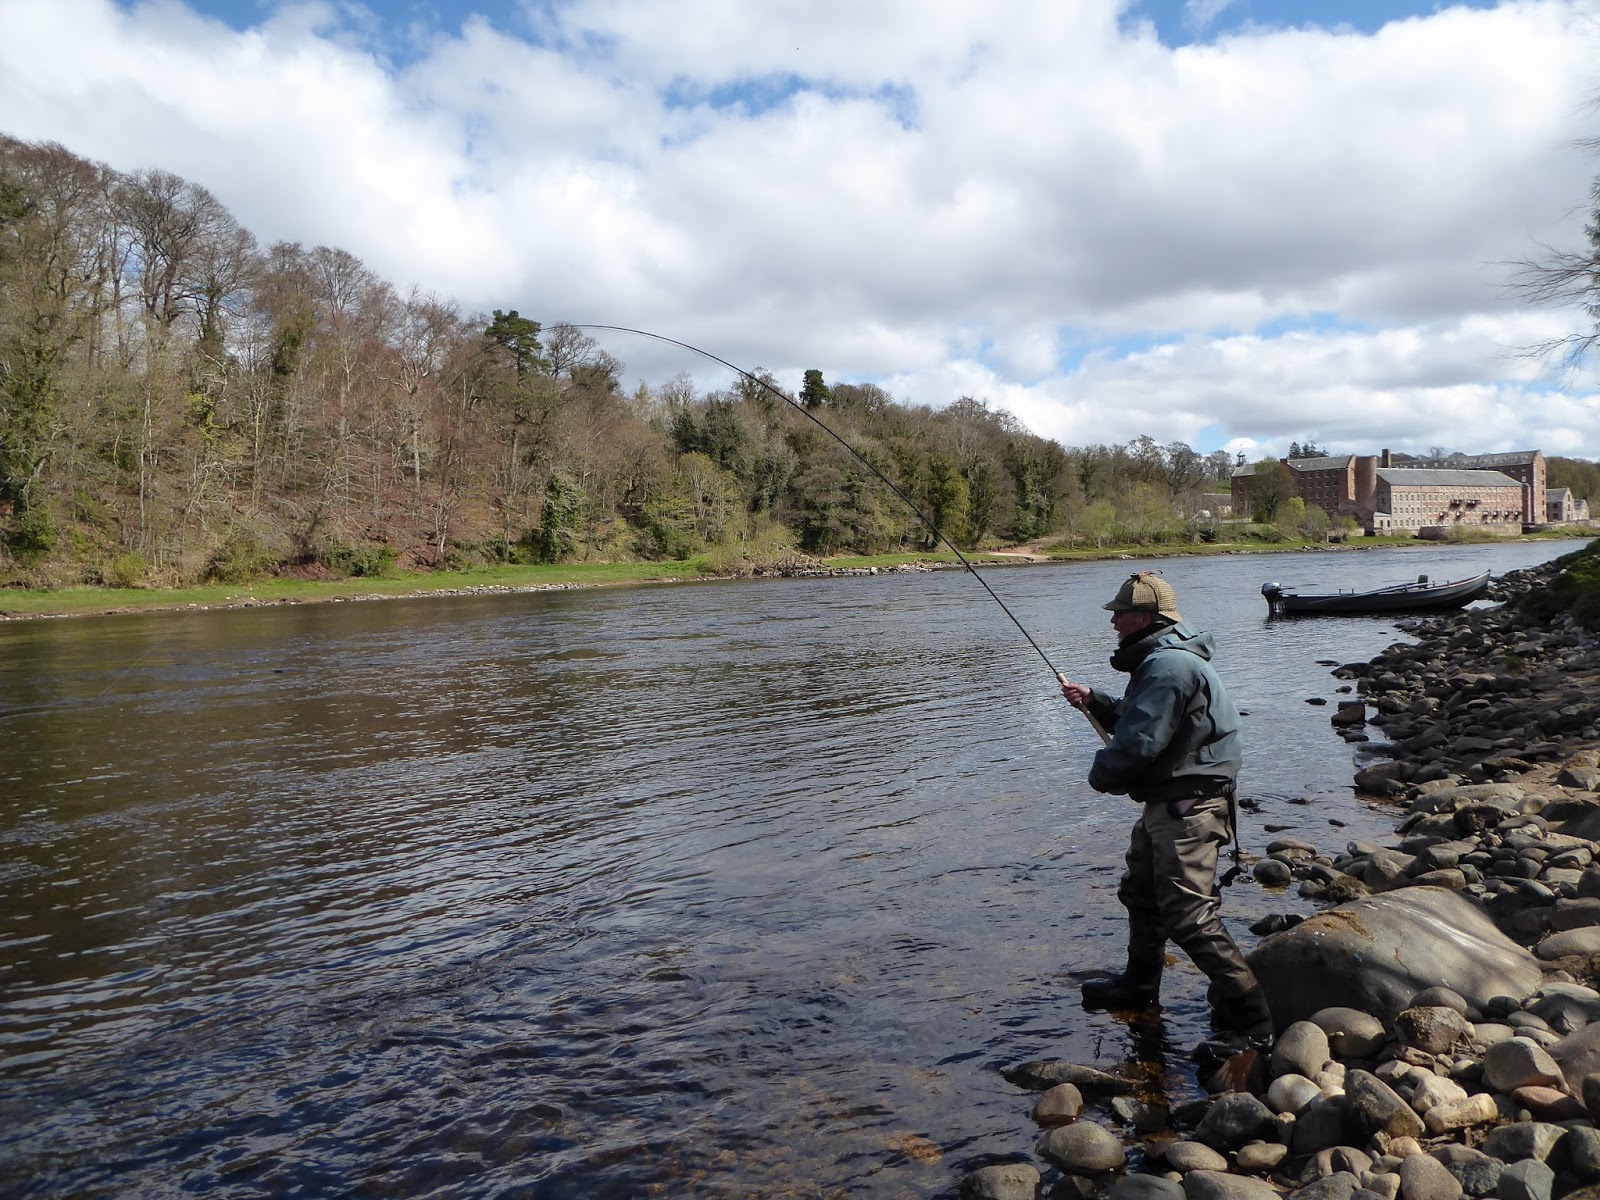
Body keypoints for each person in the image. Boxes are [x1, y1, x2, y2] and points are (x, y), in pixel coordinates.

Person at [1059, 570, 1273, 1046]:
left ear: (1145, 617)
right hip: (1172, 804)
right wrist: (1096, 702)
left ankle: (1254, 1023)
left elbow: (1137, 747)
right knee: (1142, 895)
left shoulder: (1167, 667)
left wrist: (1100, 774)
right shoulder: (1162, 661)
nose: (1113, 622)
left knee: (1189, 916)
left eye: (1119, 614)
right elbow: (1146, 720)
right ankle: (1138, 990)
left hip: (1188, 811)